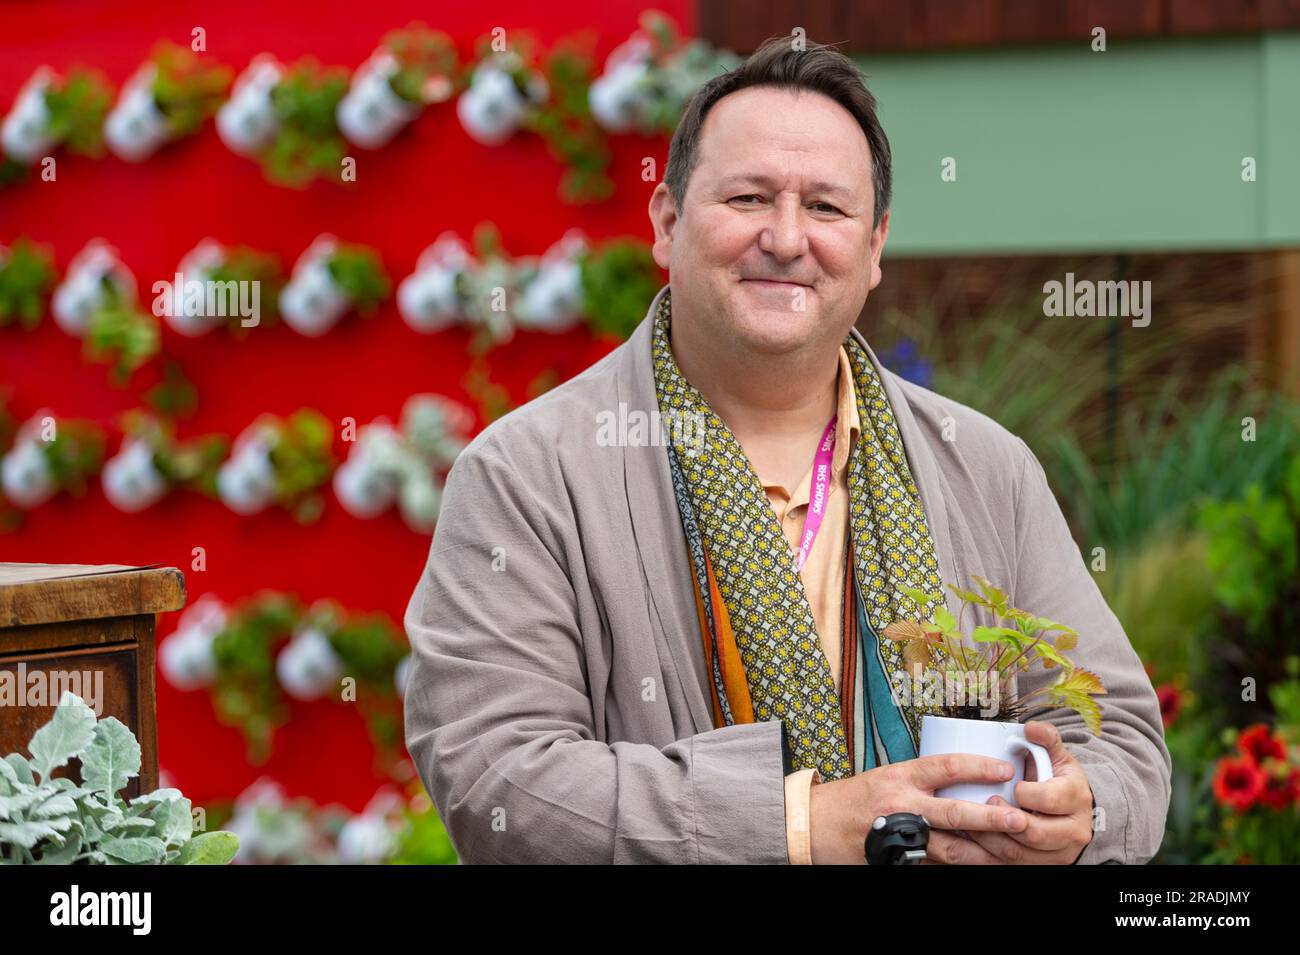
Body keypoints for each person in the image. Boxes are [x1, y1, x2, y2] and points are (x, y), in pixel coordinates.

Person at [402, 36, 1171, 864]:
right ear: (666, 222)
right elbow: (497, 776)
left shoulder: (986, 467)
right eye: (747, 197)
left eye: (829, 209)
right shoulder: (526, 474)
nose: (787, 236)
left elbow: (1120, 739)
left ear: (875, 247)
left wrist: (1079, 810)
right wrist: (801, 826)